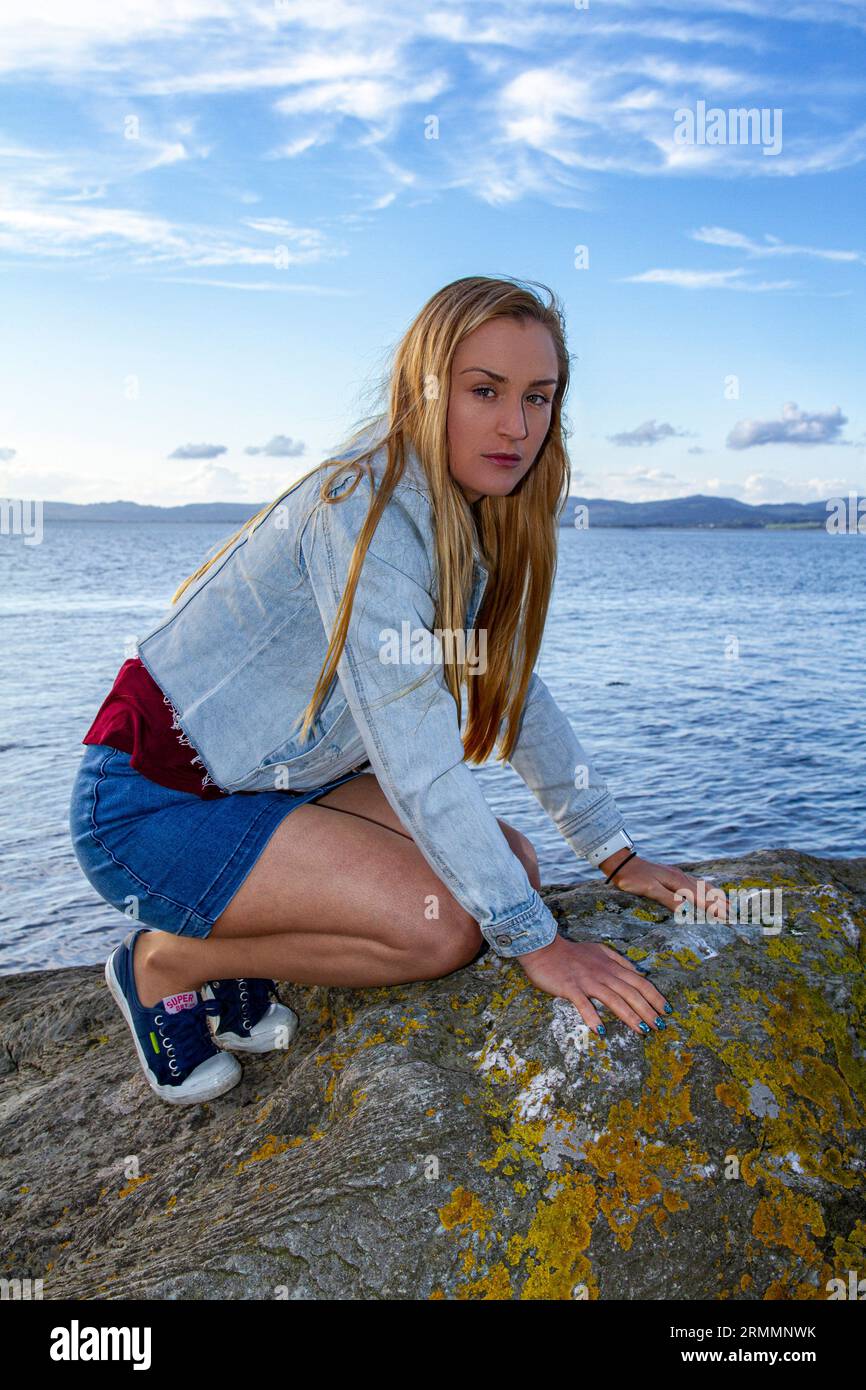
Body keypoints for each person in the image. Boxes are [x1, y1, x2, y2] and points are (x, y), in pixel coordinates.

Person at [68, 274, 727, 1107]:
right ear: (425, 388)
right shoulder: (369, 512)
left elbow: (512, 691)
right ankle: (168, 963)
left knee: (511, 863)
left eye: (538, 397)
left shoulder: (473, 508)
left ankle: (239, 949)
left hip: (275, 786)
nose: (516, 427)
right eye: (484, 391)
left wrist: (615, 853)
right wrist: (536, 942)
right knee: (447, 926)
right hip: (153, 803)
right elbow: (416, 752)